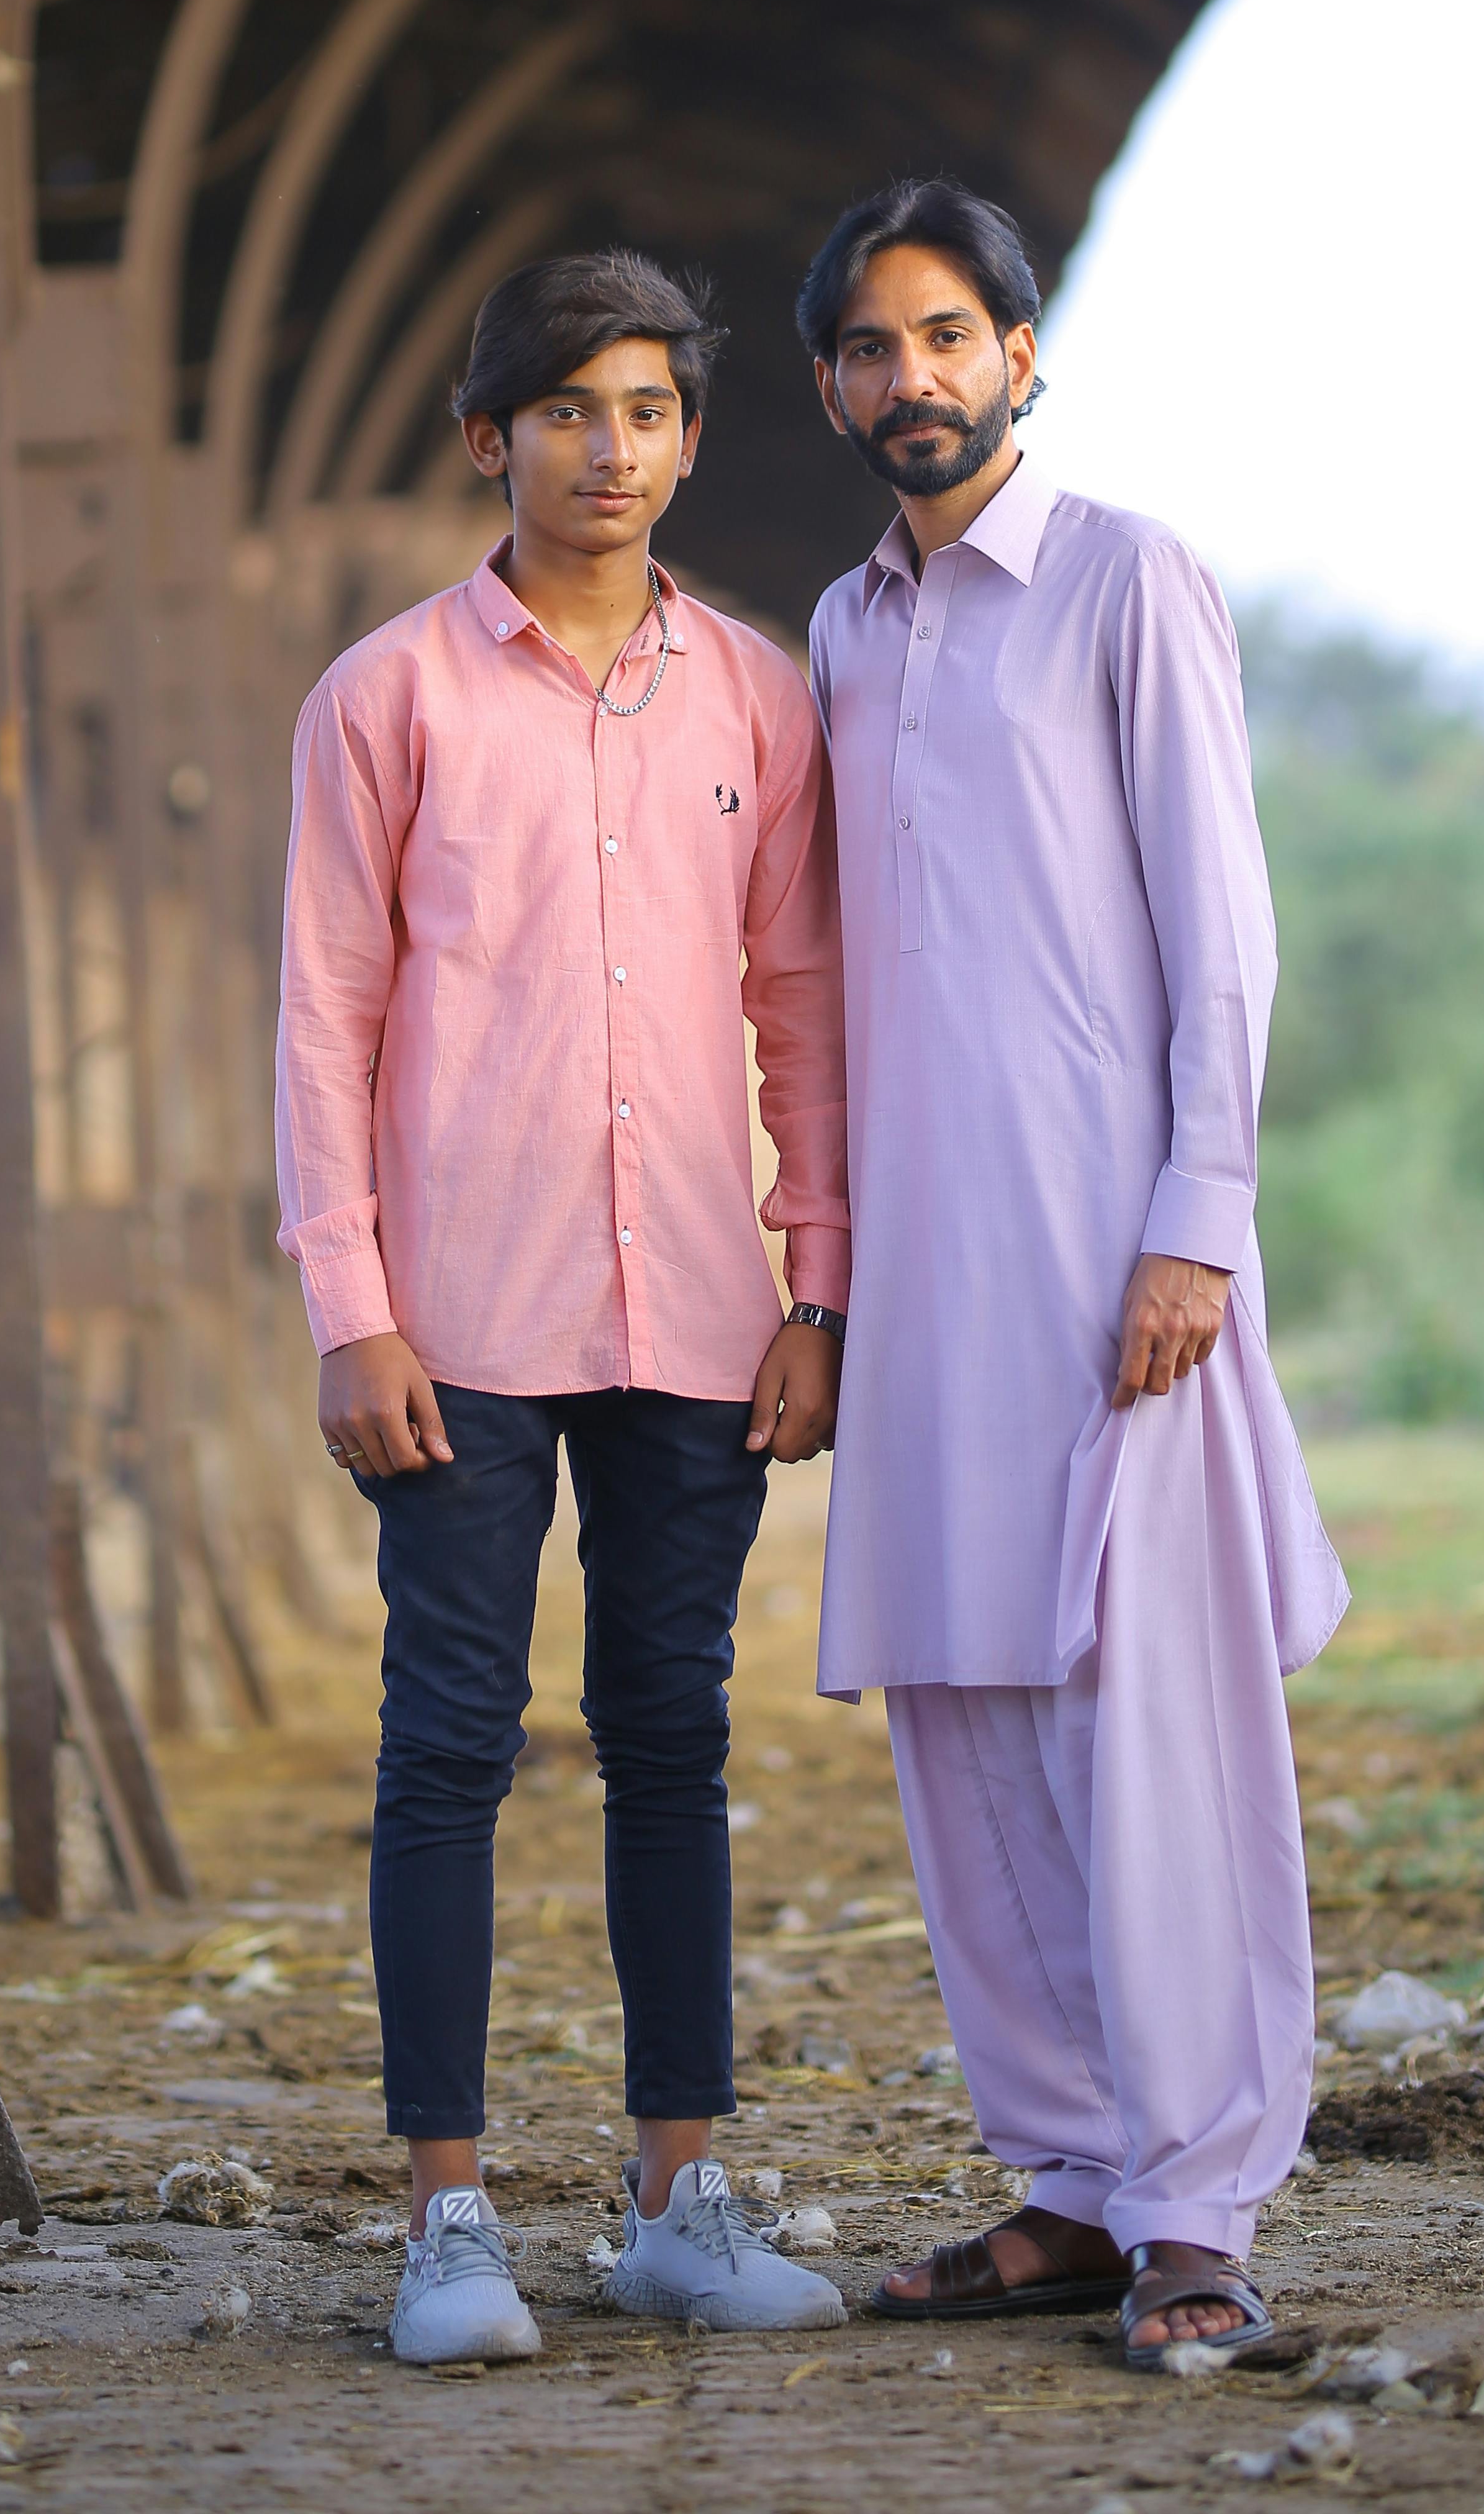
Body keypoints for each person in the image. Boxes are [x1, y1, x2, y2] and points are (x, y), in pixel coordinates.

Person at [274, 248, 854, 2366]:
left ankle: (678, 2198)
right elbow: (326, 1014)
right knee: (445, 1748)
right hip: (462, 1313)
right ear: (485, 438)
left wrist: (824, 1284)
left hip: (700, 1305)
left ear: (692, 438)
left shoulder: (759, 694)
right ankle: (447, 2226)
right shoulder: (390, 695)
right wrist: (350, 1303)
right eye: (568, 409)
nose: (610, 448)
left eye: (647, 409)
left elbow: (802, 1002)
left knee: (673, 1742)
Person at [795, 175, 1347, 2367]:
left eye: (945, 337)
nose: (907, 379)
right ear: (832, 385)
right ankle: (1072, 2188)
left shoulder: (1131, 581)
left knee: (1154, 1719)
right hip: (930, 1274)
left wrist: (1198, 1217)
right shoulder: (844, 628)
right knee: (970, 1714)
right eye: (866, 347)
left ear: (1023, 352)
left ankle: (1203, 2202)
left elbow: (1225, 931)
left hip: (1120, 1251)